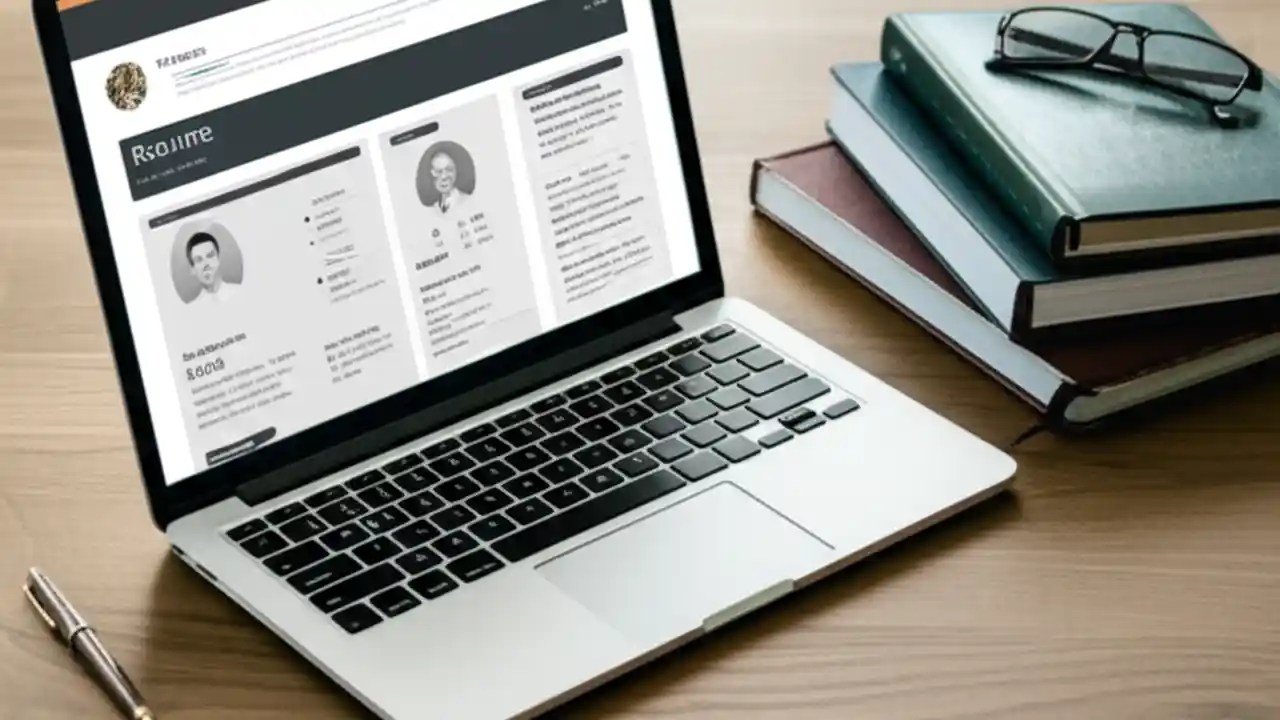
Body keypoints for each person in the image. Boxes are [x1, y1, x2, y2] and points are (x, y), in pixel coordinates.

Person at [185, 231, 239, 304]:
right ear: (193, 269)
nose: (206, 264)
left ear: (219, 258)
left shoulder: (239, 292)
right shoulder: (193, 307)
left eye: (210, 256)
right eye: (199, 260)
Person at [426, 149, 472, 217]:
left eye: (449, 170)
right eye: (438, 171)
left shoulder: (469, 202)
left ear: (456, 171)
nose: (444, 176)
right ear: (432, 174)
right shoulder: (433, 209)